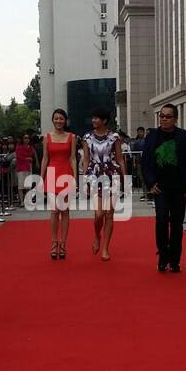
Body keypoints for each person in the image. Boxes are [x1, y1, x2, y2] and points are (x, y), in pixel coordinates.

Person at [140, 104, 186, 273]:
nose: (164, 119)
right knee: (162, 220)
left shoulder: (184, 136)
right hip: (160, 188)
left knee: (177, 225)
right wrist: (151, 183)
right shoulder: (152, 136)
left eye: (168, 116)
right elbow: (145, 163)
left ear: (175, 118)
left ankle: (175, 259)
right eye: (162, 116)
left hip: (179, 187)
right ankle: (163, 256)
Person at [81, 106, 125, 261]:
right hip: (94, 175)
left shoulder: (114, 137)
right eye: (93, 118)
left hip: (112, 174)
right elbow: (86, 159)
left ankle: (105, 247)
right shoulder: (86, 137)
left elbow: (120, 159)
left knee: (109, 214)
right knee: (99, 214)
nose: (94, 120)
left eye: (97, 118)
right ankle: (97, 236)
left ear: (104, 120)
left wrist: (124, 179)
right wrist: (85, 179)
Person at [40, 108, 76, 260]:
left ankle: (63, 243)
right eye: (56, 118)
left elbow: (73, 158)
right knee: (55, 211)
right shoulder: (47, 137)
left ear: (65, 120)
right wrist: (41, 178)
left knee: (65, 211)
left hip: (66, 173)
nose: (59, 121)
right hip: (52, 174)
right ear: (52, 120)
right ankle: (54, 242)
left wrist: (75, 178)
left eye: (61, 118)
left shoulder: (72, 137)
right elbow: (45, 158)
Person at [13, 133, 34, 203]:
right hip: (21, 168)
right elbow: (18, 157)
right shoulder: (19, 147)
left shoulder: (30, 147)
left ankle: (27, 200)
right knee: (21, 186)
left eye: (28, 138)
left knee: (28, 185)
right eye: (25, 138)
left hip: (28, 167)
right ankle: (22, 201)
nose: (27, 139)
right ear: (22, 139)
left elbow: (32, 155)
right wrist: (27, 159)